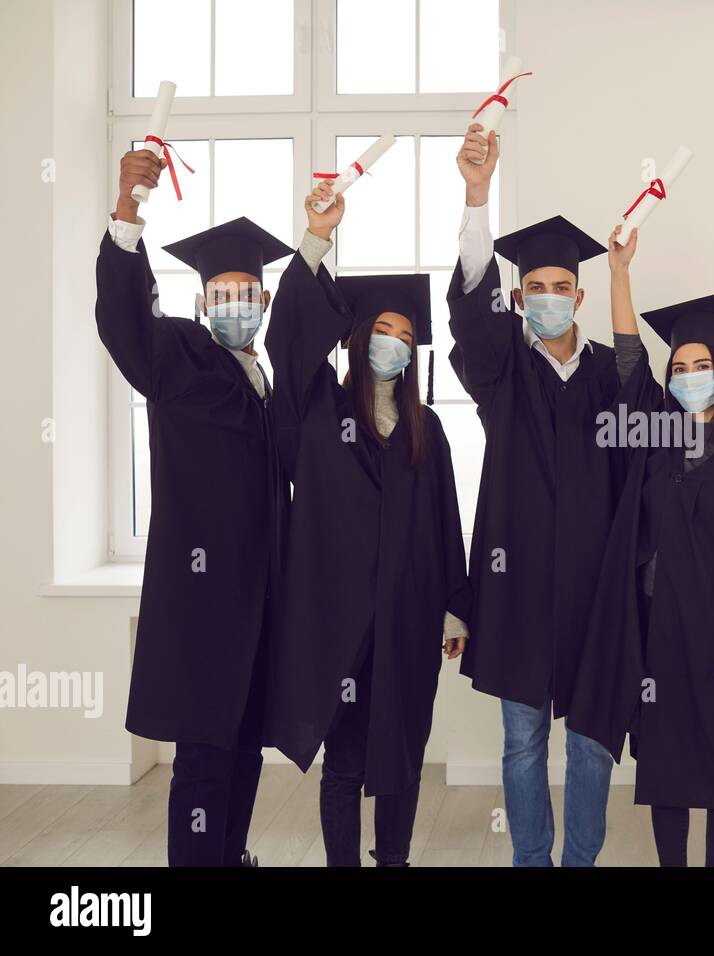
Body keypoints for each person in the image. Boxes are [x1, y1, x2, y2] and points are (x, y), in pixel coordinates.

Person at [262, 181, 471, 867]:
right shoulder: (317, 406)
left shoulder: (427, 429)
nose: (393, 343)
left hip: (407, 622)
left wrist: (454, 609)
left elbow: (445, 524)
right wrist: (317, 238)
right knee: (346, 760)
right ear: (357, 336)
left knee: (402, 758)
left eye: (405, 336)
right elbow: (290, 344)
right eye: (382, 330)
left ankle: (395, 861)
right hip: (339, 624)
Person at [95, 148, 291, 867]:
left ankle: (231, 857)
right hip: (203, 597)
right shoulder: (177, 353)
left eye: (249, 293)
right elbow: (123, 320)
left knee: (243, 750)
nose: (236, 304)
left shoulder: (264, 377)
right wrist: (127, 211)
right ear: (204, 302)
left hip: (259, 596)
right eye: (223, 293)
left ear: (264, 303)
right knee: (204, 756)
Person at [447, 122, 631, 866]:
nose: (548, 298)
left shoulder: (608, 378)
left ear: (578, 294)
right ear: (517, 297)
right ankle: (531, 862)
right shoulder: (502, 373)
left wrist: (625, 274)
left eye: (561, 288)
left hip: (594, 593)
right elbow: (469, 310)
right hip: (515, 585)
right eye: (535, 289)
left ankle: (579, 862)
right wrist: (476, 196)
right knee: (522, 741)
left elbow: (641, 400)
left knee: (590, 744)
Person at [572, 225, 714, 867]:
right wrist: (620, 273)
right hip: (654, 634)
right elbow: (630, 359)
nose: (689, 377)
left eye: (702, 366)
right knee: (659, 763)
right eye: (680, 368)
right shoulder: (654, 438)